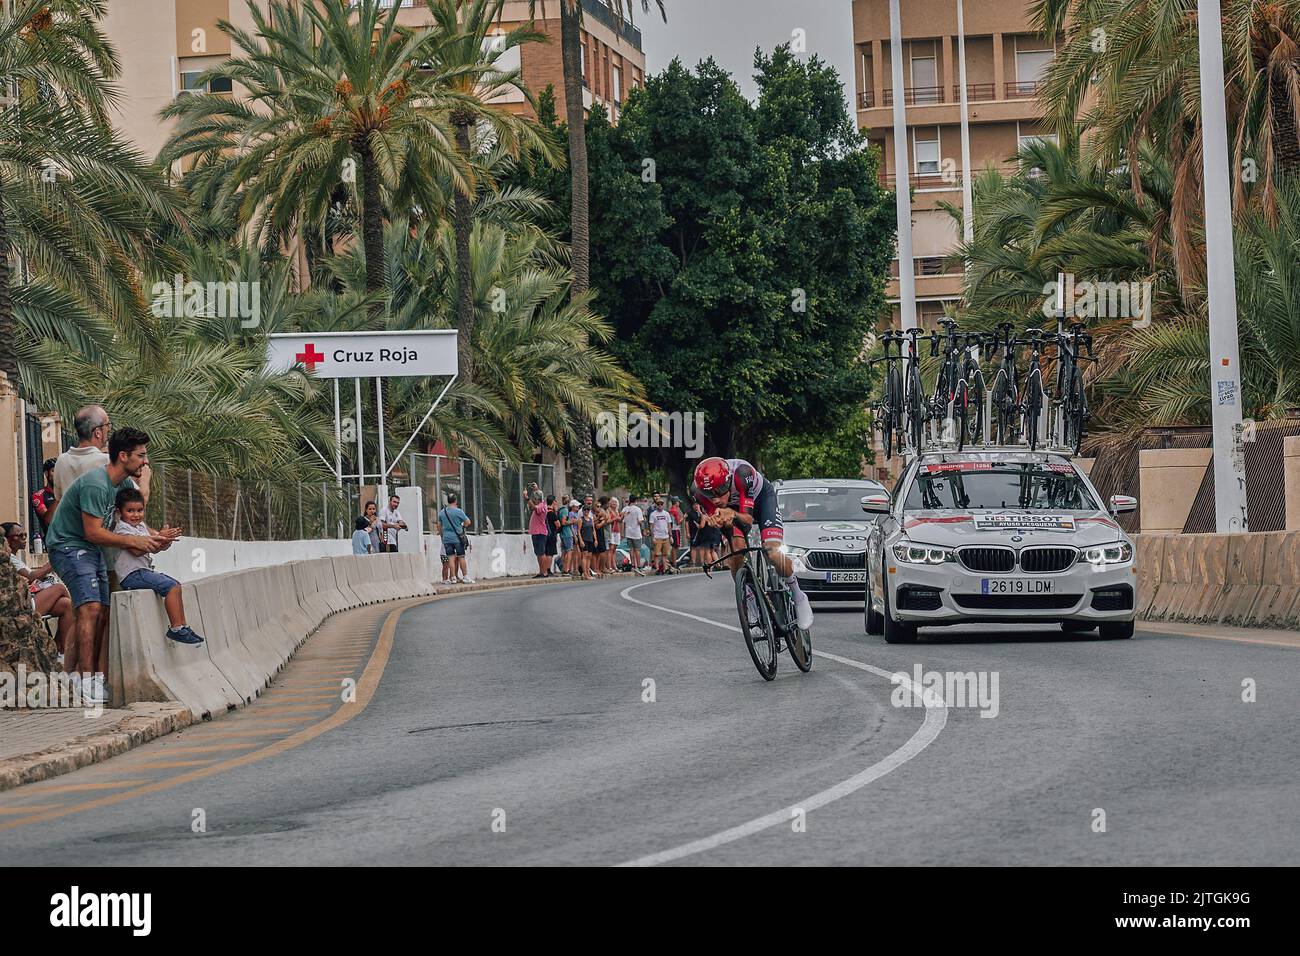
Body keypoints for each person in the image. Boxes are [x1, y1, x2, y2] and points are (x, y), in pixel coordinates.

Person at [44, 428, 179, 701]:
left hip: (92, 548)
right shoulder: (96, 484)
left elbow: (135, 526)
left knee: (103, 612)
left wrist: (156, 539)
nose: (145, 462)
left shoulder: (125, 486)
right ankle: (86, 679)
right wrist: (134, 542)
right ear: (123, 455)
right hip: (69, 545)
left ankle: (80, 676)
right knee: (90, 608)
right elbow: (93, 531)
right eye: (141, 456)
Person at [691, 456, 813, 632]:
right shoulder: (698, 491)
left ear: (728, 481)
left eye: (720, 491)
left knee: (772, 551)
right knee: (735, 556)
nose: (715, 499)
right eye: (710, 495)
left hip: (760, 501)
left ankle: (798, 594)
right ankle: (752, 605)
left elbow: (747, 521)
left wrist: (731, 514)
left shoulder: (743, 474)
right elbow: (718, 517)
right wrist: (717, 520)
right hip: (732, 510)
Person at [112, 488, 203, 646]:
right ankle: (176, 629)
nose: (136, 515)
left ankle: (183, 626)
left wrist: (165, 542)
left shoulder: (141, 527)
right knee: (171, 586)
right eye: (130, 511)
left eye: (140, 510)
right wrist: (159, 538)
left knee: (176, 585)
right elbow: (136, 550)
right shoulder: (122, 529)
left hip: (143, 571)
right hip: (131, 575)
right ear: (119, 512)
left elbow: (154, 547)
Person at [2, 521, 73, 659]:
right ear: (7, 539)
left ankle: (62, 651)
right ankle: (61, 643)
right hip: (23, 605)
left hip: (32, 598)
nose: (24, 538)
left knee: (66, 605)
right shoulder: (9, 558)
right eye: (20, 535)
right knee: (59, 588)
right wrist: (55, 561)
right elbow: (31, 576)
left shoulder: (16, 558)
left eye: (25, 535)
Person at [437, 493, 473, 584]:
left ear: (448, 501)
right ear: (455, 501)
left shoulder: (442, 512)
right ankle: (465, 576)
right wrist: (462, 526)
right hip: (457, 538)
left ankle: (453, 577)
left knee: (451, 558)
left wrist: (443, 535)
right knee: (461, 557)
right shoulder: (459, 511)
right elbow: (468, 522)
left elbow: (439, 526)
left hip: (447, 539)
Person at [621, 496, 646, 576]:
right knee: (637, 550)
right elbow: (640, 521)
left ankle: (633, 565)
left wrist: (623, 532)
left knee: (631, 549)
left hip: (628, 532)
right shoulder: (637, 509)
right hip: (636, 532)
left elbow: (622, 521)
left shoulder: (625, 509)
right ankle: (638, 566)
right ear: (636, 501)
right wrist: (643, 530)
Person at [648, 497, 673, 574]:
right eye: (658, 504)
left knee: (665, 554)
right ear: (656, 505)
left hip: (665, 536)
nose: (660, 506)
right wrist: (653, 537)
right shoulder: (653, 514)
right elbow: (651, 526)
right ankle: (657, 568)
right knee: (657, 554)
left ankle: (665, 568)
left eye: (661, 504)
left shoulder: (666, 514)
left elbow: (669, 525)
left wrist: (670, 536)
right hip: (657, 536)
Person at [31, 458, 57, 531]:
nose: (57, 474)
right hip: (52, 540)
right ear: (46, 473)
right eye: (53, 471)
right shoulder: (38, 496)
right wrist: (59, 497)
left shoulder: (67, 492)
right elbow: (48, 520)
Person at [578, 498, 599, 579]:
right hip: (584, 539)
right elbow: (579, 531)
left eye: (588, 510)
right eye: (585, 510)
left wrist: (595, 539)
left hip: (590, 539)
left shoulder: (591, 520)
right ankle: (585, 573)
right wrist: (581, 540)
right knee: (584, 556)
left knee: (589, 556)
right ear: (583, 511)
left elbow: (593, 530)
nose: (586, 511)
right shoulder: (581, 520)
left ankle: (588, 572)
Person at [544, 495, 561, 577]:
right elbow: (558, 524)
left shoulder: (544, 512)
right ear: (553, 502)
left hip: (545, 534)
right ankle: (548, 570)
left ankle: (544, 570)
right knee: (550, 553)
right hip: (551, 535)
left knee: (546, 552)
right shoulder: (552, 514)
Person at [606, 497, 622, 572]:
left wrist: (623, 516)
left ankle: (614, 565)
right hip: (611, 531)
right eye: (612, 502)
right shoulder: (608, 511)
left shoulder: (616, 511)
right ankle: (609, 566)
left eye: (615, 502)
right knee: (610, 549)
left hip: (617, 530)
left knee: (614, 549)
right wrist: (616, 518)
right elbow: (609, 521)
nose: (614, 503)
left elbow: (620, 520)